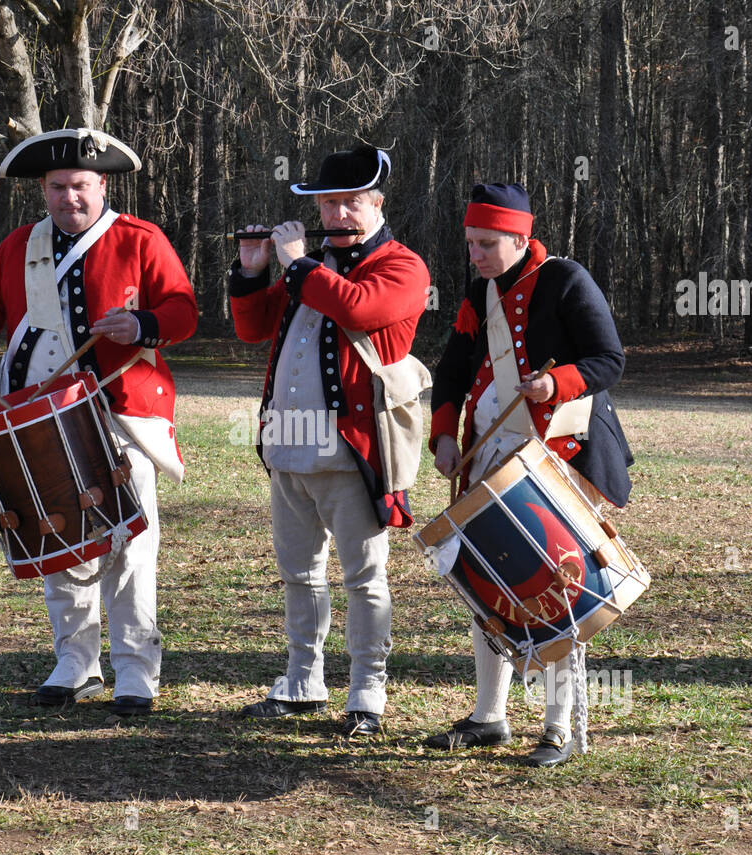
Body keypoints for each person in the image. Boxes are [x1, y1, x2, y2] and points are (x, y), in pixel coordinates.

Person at [0, 128, 197, 717]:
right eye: (59, 187)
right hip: (35, 416)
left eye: (81, 186)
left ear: (102, 186)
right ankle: (76, 661)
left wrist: (142, 325)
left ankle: (137, 671)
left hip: (118, 415)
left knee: (126, 542)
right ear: (44, 189)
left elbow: (184, 310)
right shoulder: (20, 245)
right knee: (57, 535)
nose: (70, 198)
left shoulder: (140, 239)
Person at [426, 183, 634, 765]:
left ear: (521, 237)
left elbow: (608, 359)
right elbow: (452, 372)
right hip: (490, 458)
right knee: (489, 584)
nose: (476, 255)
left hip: (559, 456)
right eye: (470, 244)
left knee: (557, 589)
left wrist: (554, 381)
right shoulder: (479, 294)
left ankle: (557, 724)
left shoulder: (566, 280)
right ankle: (490, 716)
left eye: (487, 244)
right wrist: (445, 435)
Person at [229, 144, 430, 737]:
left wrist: (294, 264)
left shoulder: (401, 265)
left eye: (350, 203)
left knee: (364, 577)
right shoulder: (308, 265)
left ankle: (367, 692)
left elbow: (359, 308)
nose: (337, 214)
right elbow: (252, 328)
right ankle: (302, 681)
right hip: (289, 444)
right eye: (328, 203)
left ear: (377, 204)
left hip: (352, 451)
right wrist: (251, 268)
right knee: (299, 573)